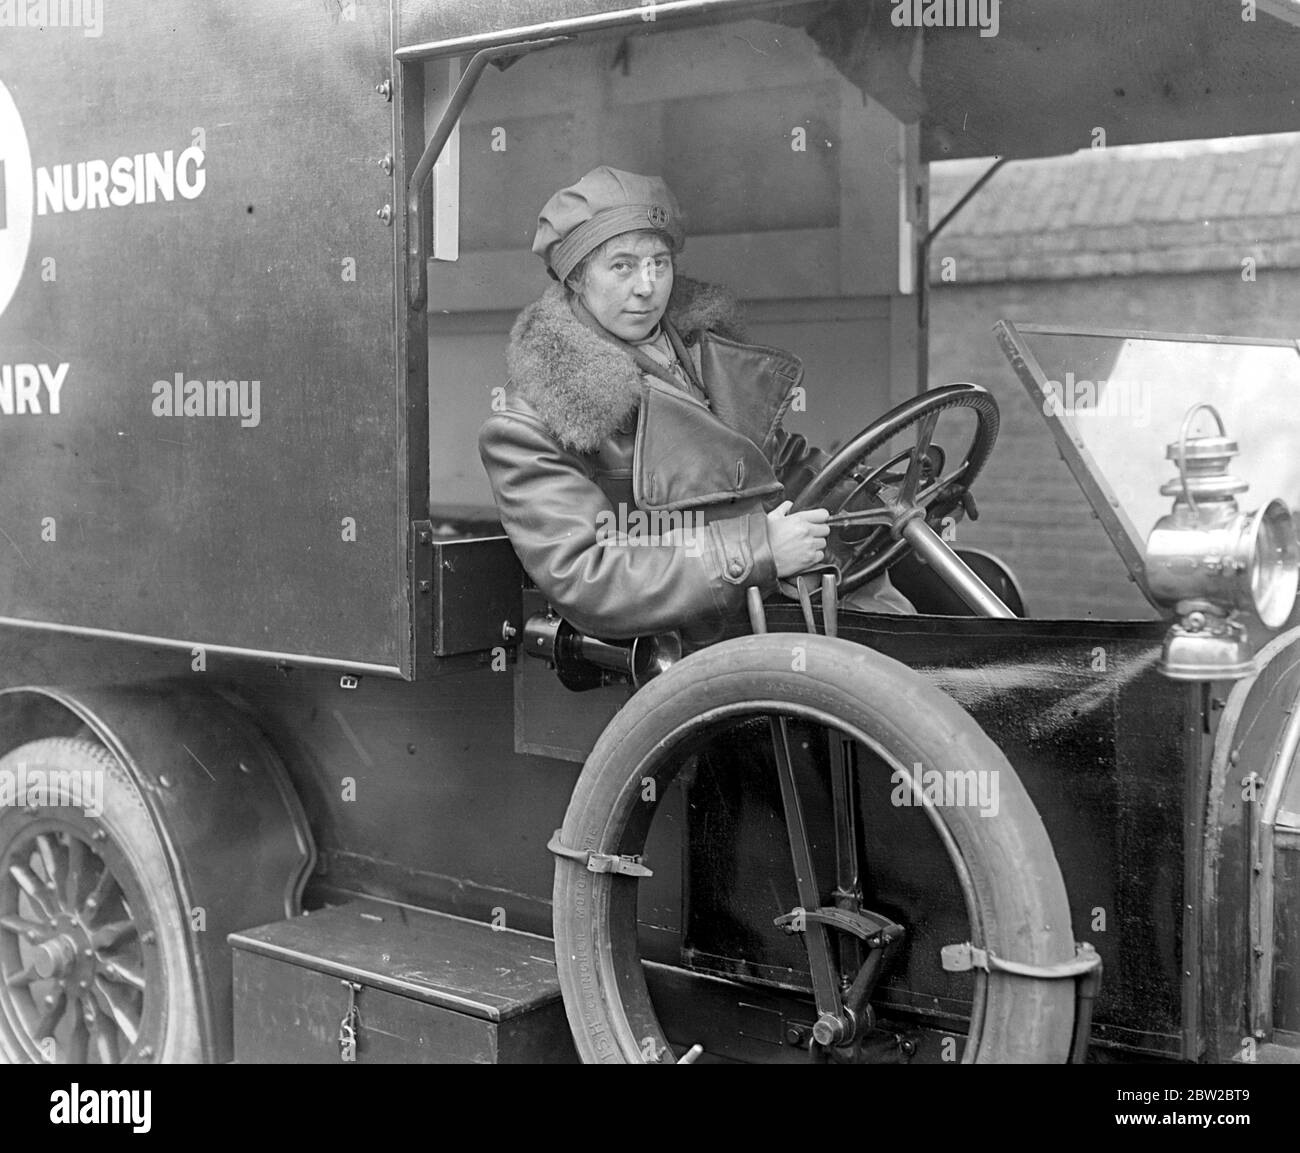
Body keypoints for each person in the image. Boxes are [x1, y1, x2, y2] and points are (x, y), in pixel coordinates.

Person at [479, 166, 912, 645]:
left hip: (783, 612)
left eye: (659, 264)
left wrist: (879, 498)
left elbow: (778, 464)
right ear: (577, 279)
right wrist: (759, 550)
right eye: (621, 266)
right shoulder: (530, 425)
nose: (646, 287)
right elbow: (589, 574)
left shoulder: (706, 361)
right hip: (691, 652)